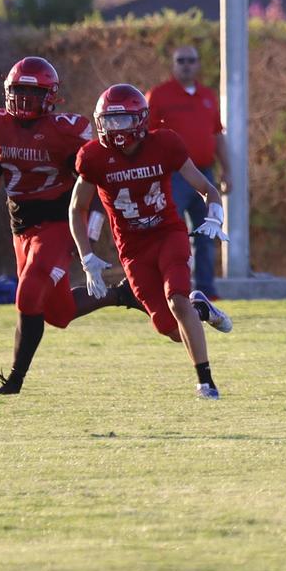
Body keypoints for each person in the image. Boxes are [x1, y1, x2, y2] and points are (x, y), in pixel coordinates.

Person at [0, 55, 146, 395]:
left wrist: (91, 230)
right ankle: (123, 294)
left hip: (58, 222)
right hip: (20, 225)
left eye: (32, 93)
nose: (24, 99)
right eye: (18, 91)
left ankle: (14, 381)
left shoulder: (64, 133)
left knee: (28, 293)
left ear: (50, 97)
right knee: (58, 312)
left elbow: (93, 180)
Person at [70, 84, 233, 399]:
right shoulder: (93, 156)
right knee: (169, 328)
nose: (114, 129)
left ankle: (206, 383)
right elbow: (77, 207)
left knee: (177, 300)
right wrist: (86, 257)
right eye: (109, 120)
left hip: (167, 232)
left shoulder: (165, 143)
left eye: (122, 120)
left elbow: (207, 188)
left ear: (141, 120)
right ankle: (202, 310)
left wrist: (214, 215)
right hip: (132, 248)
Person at [146, 44, 226, 301]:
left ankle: (205, 289)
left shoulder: (207, 95)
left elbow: (217, 134)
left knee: (208, 231)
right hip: (173, 176)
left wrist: (227, 169)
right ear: (173, 64)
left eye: (191, 60)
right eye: (181, 60)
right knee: (171, 232)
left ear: (198, 63)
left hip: (204, 172)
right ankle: (168, 286)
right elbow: (145, 138)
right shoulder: (159, 95)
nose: (187, 65)